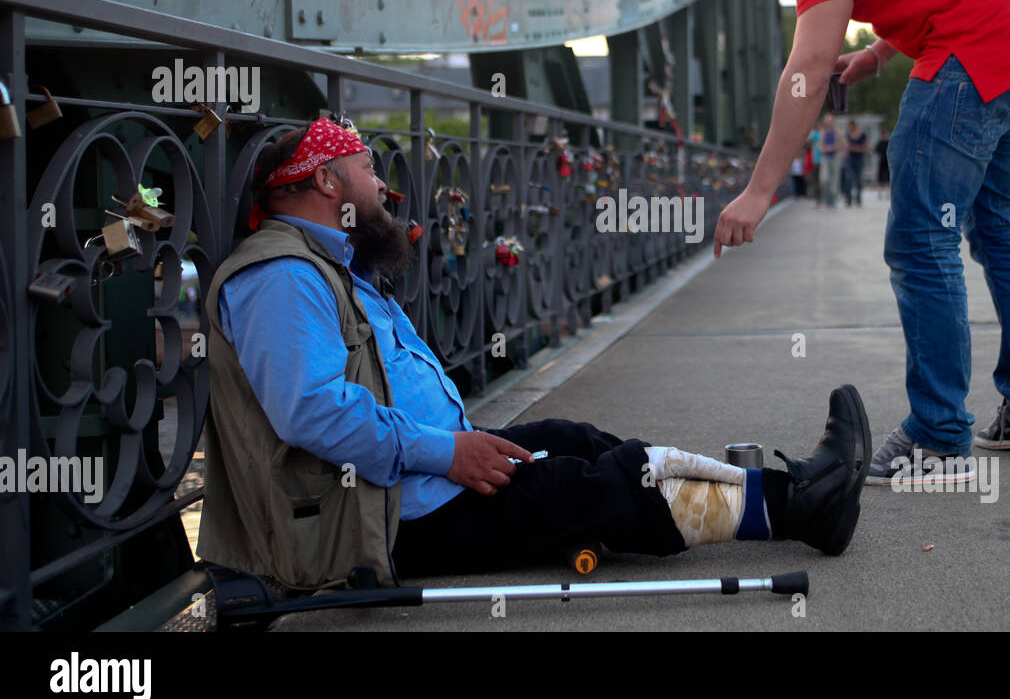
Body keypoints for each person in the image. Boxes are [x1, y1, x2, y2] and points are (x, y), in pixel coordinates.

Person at [198, 119, 872, 590]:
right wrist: (448, 452)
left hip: (415, 477)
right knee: (597, 486)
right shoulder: (282, 277)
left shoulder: (328, 265)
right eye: (366, 166)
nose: (383, 182)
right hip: (381, 518)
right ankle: (796, 506)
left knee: (570, 438)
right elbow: (309, 411)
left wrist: (451, 446)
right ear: (326, 180)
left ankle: (788, 496)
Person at [707, 0, 1010, 485]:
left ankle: (937, 436)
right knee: (998, 227)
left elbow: (807, 65)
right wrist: (878, 52)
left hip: (969, 60)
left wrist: (760, 188)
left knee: (919, 241)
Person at [817, 113, 840, 208]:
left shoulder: (838, 132)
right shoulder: (822, 133)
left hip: (834, 157)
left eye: (830, 121)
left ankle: (832, 200)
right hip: (825, 158)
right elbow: (819, 146)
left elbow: (843, 145)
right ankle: (826, 199)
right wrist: (825, 149)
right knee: (824, 179)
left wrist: (834, 148)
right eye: (827, 121)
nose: (828, 123)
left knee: (834, 181)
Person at [845, 120, 868, 205]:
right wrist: (858, 148)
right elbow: (846, 147)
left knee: (858, 180)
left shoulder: (862, 135)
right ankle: (849, 199)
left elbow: (866, 147)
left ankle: (858, 199)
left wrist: (853, 148)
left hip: (859, 159)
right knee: (849, 179)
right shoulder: (847, 135)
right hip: (850, 159)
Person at [874, 128, 890, 198]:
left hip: (888, 162)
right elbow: (875, 151)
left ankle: (887, 192)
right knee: (880, 178)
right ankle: (880, 192)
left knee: (888, 178)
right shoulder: (879, 143)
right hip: (881, 162)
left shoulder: (888, 142)